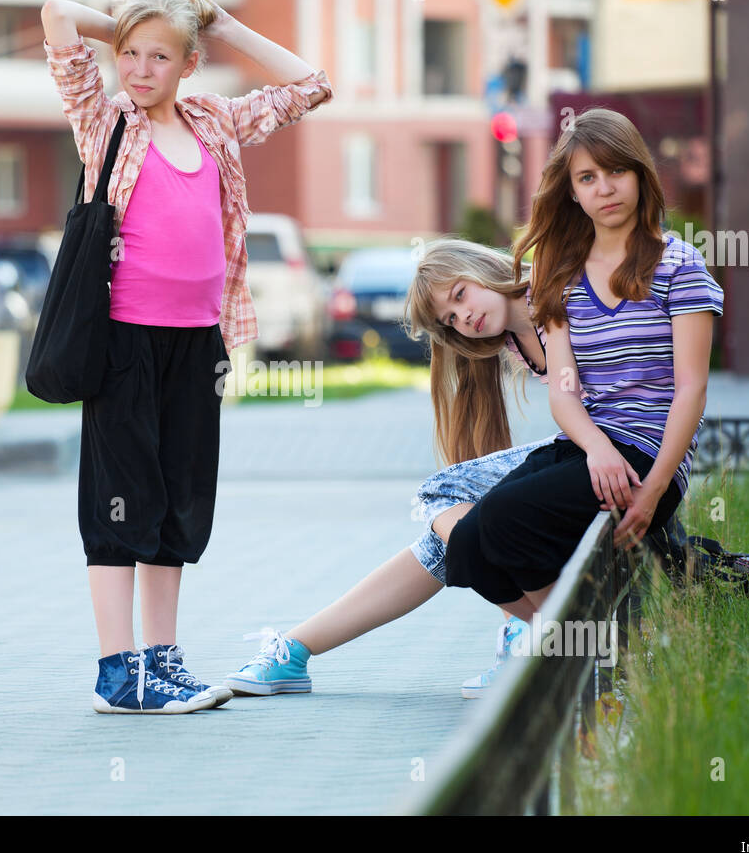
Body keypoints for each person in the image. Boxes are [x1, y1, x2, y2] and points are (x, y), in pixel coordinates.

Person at [42, 0, 332, 713]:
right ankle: (118, 671)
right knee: (119, 505)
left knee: (177, 504)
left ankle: (163, 660)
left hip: (198, 342)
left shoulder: (216, 122)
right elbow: (55, 12)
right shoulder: (103, 119)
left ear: (190, 65)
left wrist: (225, 23)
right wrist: (139, 23)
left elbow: (311, 85)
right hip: (123, 344)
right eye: (130, 55)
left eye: (160, 56)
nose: (140, 68)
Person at [224, 238, 560, 698]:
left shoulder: (558, 298)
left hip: (614, 448)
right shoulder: (512, 337)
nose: (465, 318)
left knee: (442, 494)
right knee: (449, 536)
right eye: (451, 318)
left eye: (461, 295)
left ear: (483, 267)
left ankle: (554, 637)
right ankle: (295, 649)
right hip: (586, 451)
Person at [442, 107, 724, 626]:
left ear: (640, 174)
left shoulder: (680, 266)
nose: (605, 188)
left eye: (616, 171)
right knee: (465, 546)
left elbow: (692, 390)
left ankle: (586, 656)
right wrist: (595, 448)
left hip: (647, 459)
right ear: (571, 192)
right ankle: (588, 647)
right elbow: (564, 390)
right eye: (588, 178)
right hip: (589, 451)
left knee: (504, 520)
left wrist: (656, 488)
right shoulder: (560, 274)